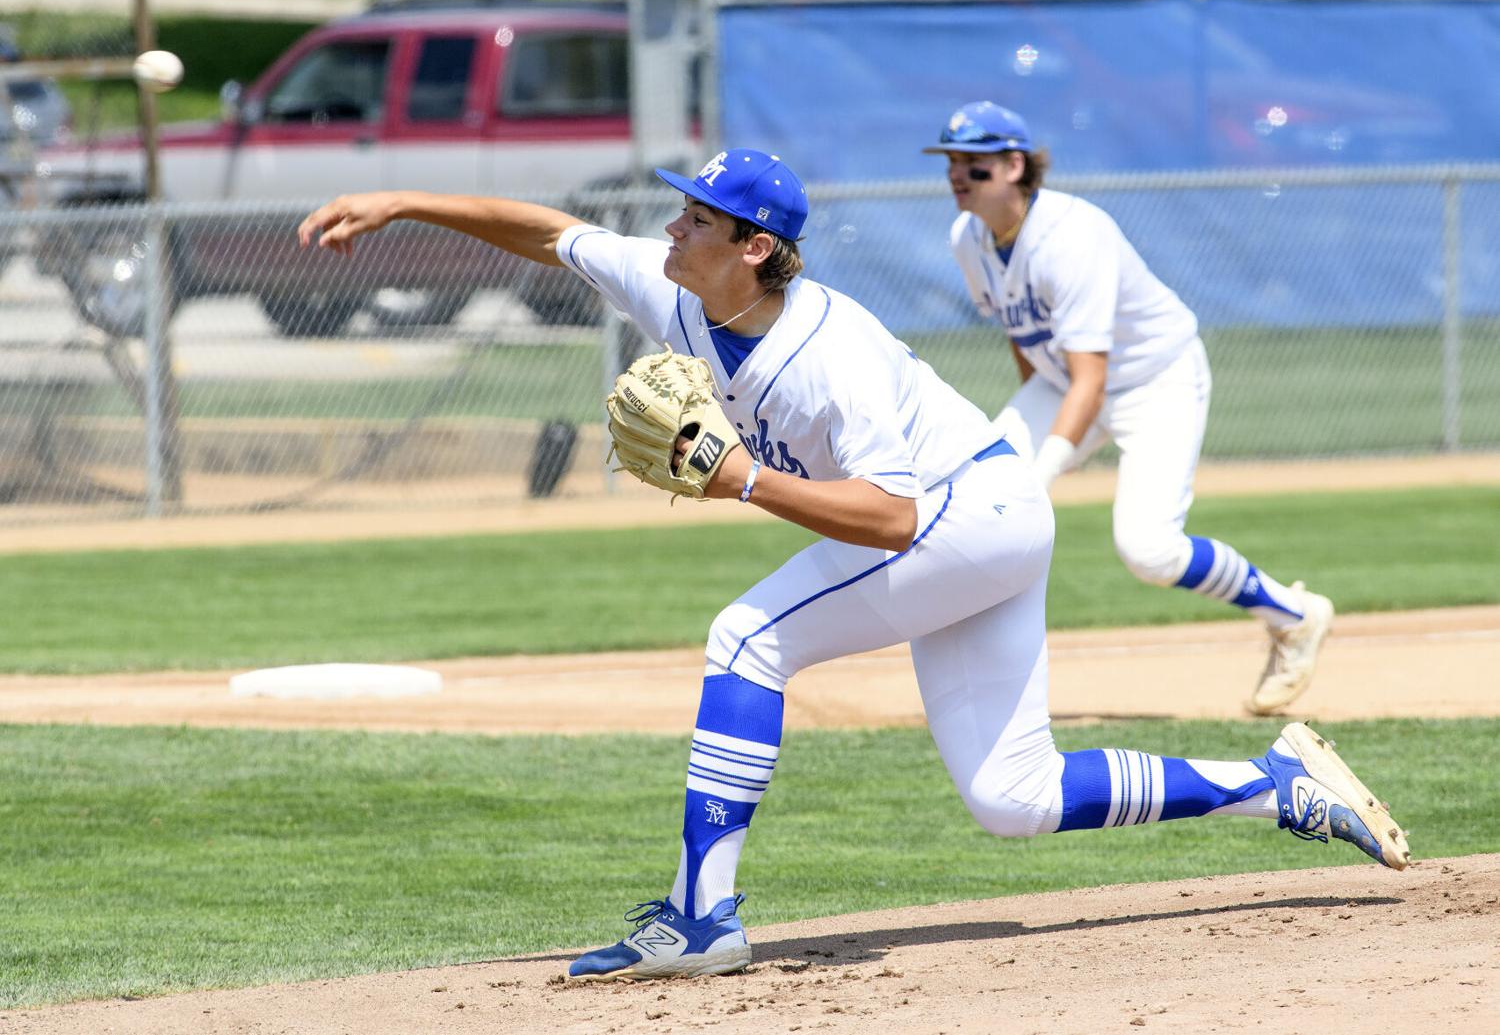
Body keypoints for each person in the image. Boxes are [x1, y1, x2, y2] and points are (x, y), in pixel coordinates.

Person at [296, 149, 1409, 982]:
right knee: (1012, 799)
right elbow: (551, 234)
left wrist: (737, 479)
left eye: (700, 217)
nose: (673, 227)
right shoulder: (677, 283)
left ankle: (699, 916)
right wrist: (404, 202)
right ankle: (1276, 787)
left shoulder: (829, 355)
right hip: (980, 521)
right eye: (682, 209)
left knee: (748, 636)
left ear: (757, 249)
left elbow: (884, 520)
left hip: (967, 515)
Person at [923, 101, 1334, 717]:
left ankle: (1295, 616)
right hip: (1065, 381)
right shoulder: (969, 238)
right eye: (952, 162)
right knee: (979, 490)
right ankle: (978, 673)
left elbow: (1095, 377)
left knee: (1149, 551)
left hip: (1154, 380)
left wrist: (1046, 469)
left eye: (974, 164)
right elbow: (1023, 333)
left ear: (1014, 165)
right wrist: (1035, 421)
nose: (958, 175)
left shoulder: (1071, 236)